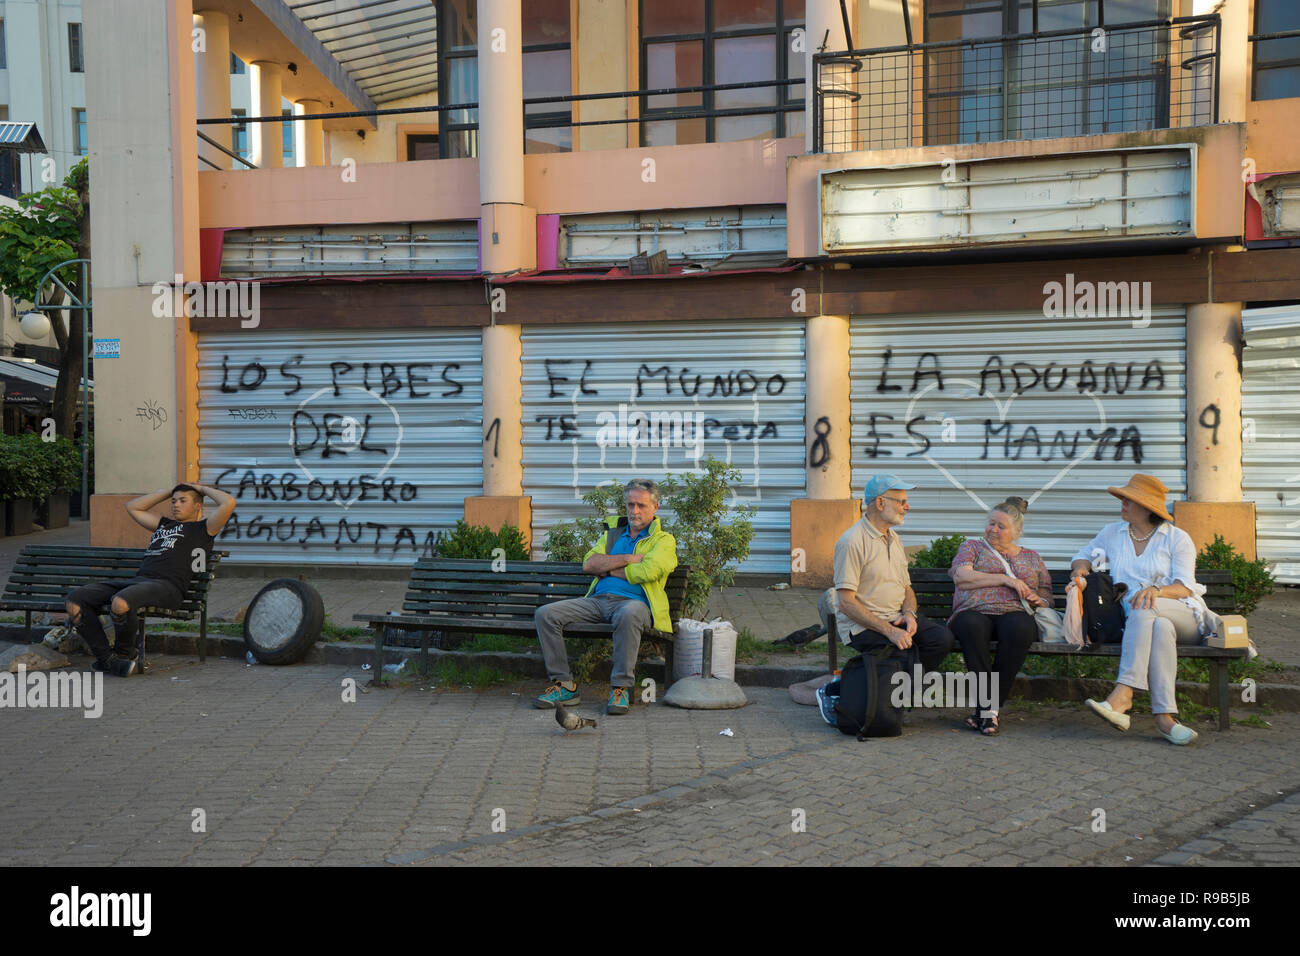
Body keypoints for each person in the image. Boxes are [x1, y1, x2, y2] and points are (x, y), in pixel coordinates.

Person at [1074, 474, 1212, 746]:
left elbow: (1185, 586)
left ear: (1148, 508)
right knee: (1158, 626)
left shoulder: (1176, 538)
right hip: (1146, 622)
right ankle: (1165, 719)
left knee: (1144, 604)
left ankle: (1123, 694)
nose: (1122, 503)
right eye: (1122, 498)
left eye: (1129, 500)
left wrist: (1158, 591)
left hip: (1183, 613)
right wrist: (1081, 570)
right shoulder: (1113, 533)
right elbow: (1083, 555)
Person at [816, 474, 955, 726]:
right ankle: (836, 691)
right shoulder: (852, 541)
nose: (907, 506)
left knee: (940, 639)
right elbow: (846, 603)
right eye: (901, 501)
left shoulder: (894, 539)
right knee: (899, 654)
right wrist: (890, 631)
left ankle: (888, 696)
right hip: (862, 625)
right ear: (880, 503)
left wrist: (909, 614)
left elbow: (907, 589)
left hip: (894, 618)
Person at [533, 479, 678, 715]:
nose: (634, 511)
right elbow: (590, 564)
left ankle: (621, 688)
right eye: (630, 505)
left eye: (640, 505)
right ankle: (565, 685)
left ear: (655, 508)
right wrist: (630, 559)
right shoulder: (612, 536)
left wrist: (608, 568)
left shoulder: (663, 541)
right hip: (597, 601)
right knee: (546, 614)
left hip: (635, 604)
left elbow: (649, 571)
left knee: (629, 614)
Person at [65, 483, 237, 676]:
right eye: (173, 501)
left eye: (182, 501)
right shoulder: (164, 524)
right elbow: (133, 507)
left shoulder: (203, 529)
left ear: (198, 505)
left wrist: (201, 489)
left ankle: (125, 655)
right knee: (76, 601)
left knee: (120, 603)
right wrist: (167, 492)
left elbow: (229, 502)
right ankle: (107, 660)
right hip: (139, 582)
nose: (175, 505)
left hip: (168, 587)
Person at [948, 497, 1051, 736]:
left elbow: (1046, 593)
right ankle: (989, 711)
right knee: (971, 626)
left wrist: (1040, 600)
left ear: (1016, 532)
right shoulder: (972, 547)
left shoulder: (1032, 557)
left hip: (1014, 612)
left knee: (1021, 629)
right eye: (991, 523)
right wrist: (1006, 580)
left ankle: (985, 711)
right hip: (973, 611)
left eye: (1000, 526)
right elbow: (962, 577)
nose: (993, 529)